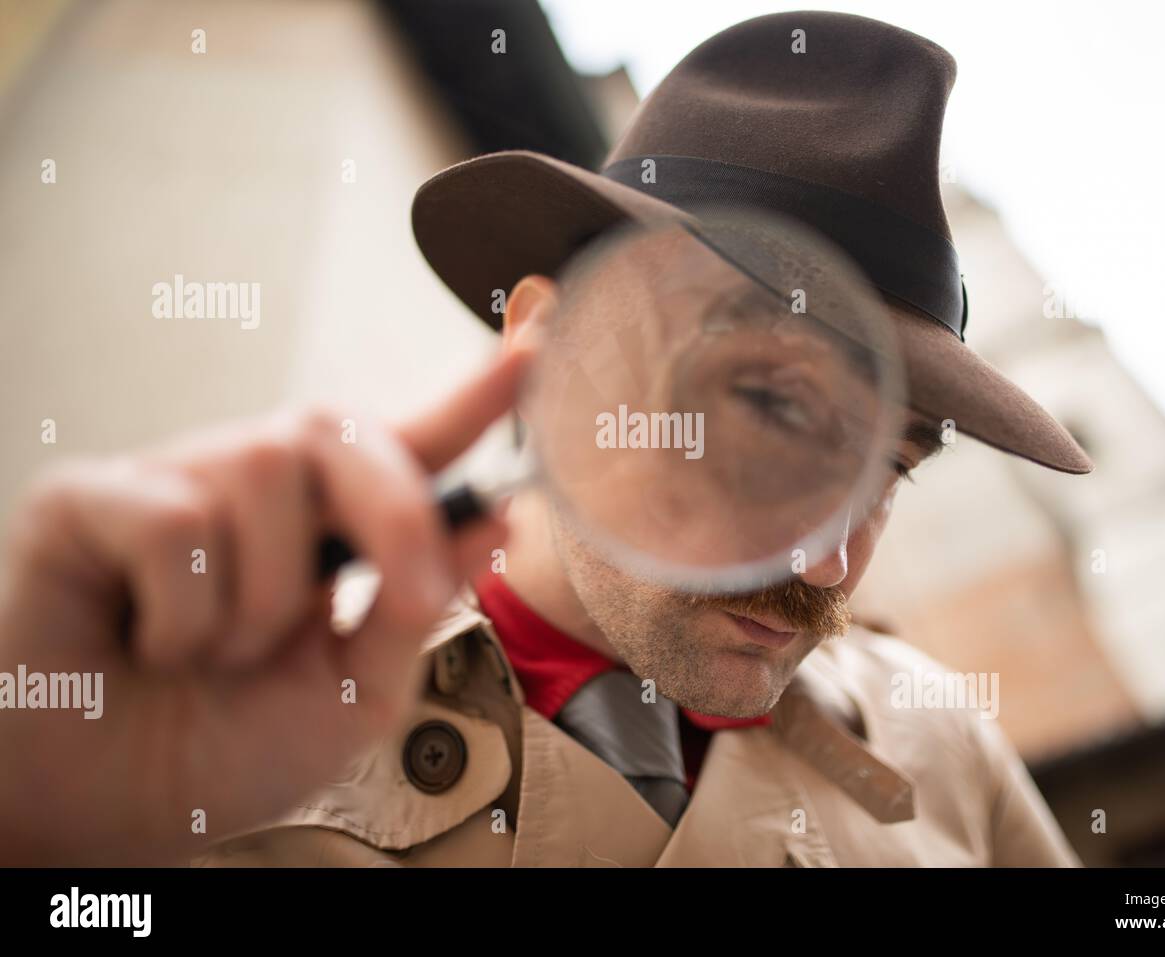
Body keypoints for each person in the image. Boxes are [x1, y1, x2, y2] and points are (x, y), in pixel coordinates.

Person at [0, 12, 1088, 866]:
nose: (822, 561)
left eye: (886, 470)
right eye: (773, 418)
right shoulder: (225, 718)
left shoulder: (942, 746)